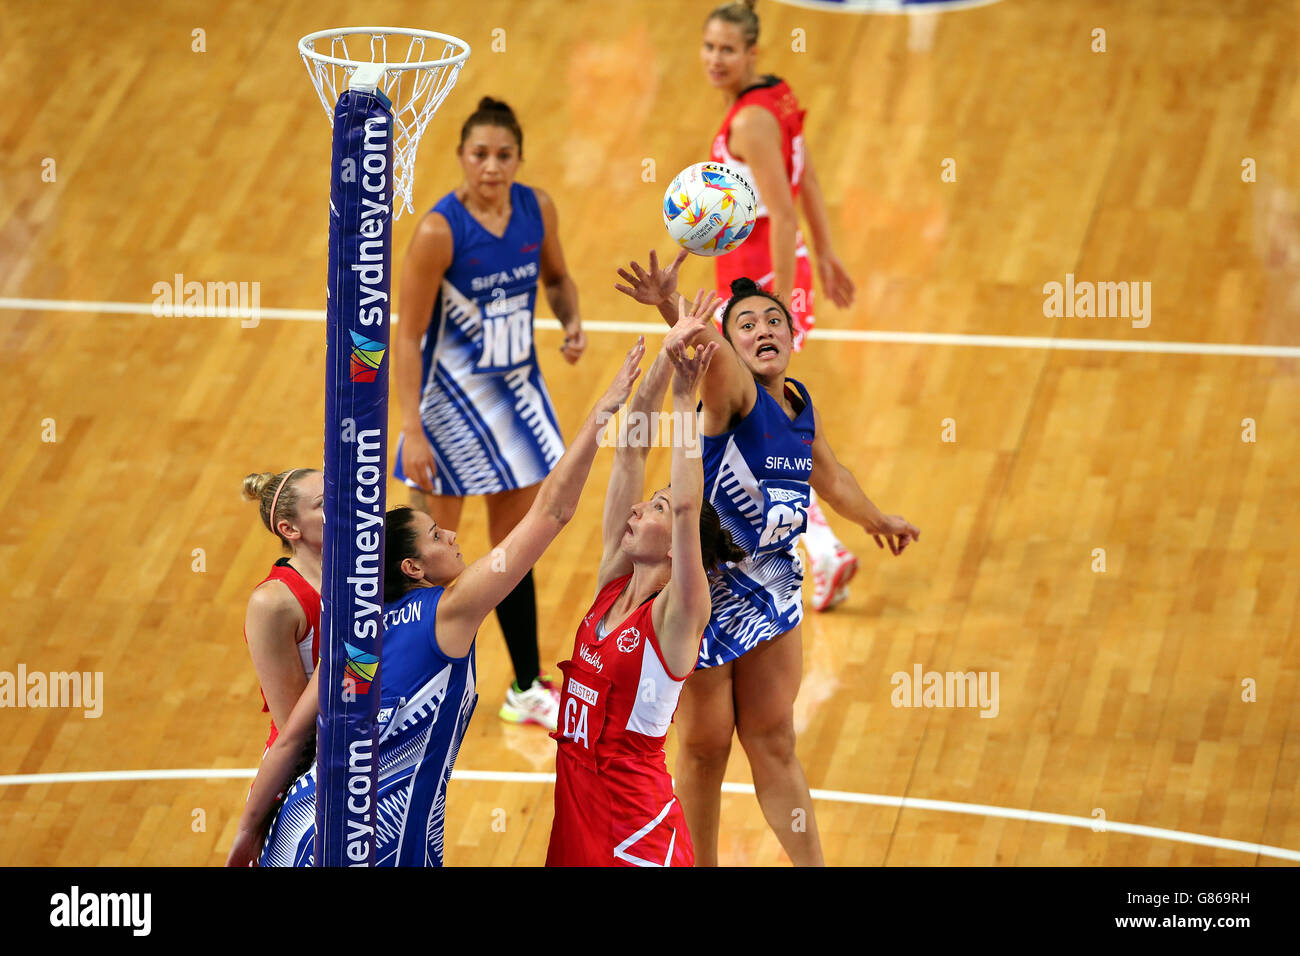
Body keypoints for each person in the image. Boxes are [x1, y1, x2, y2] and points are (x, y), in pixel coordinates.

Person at [225, 342, 646, 867]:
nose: (450, 533)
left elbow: (289, 744)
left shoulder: (355, 629)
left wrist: (246, 832)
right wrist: (603, 411)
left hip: (300, 827)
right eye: (433, 534)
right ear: (412, 568)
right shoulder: (448, 611)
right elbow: (552, 511)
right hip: (382, 841)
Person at [616, 261, 920, 866]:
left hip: (772, 583)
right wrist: (670, 304)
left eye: (774, 320)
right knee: (704, 751)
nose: (763, 329)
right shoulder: (732, 392)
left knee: (774, 740)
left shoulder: (799, 403)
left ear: (792, 334)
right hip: (706, 590)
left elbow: (830, 478)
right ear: (734, 343)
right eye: (747, 324)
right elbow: (705, 345)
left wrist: (876, 519)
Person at [392, 96, 587, 732]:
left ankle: (526, 687)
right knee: (428, 559)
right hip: (448, 409)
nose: (492, 166)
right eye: (480, 154)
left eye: (504, 155)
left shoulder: (538, 209)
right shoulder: (438, 231)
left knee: (512, 552)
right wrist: (411, 426)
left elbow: (557, 279)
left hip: (515, 400)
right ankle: (408, 689)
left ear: (519, 159)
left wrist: (571, 320)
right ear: (460, 158)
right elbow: (406, 333)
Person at [547, 295, 744, 867]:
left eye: (651, 508)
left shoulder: (678, 612)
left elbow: (686, 506)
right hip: (577, 810)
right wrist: (666, 355)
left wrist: (686, 401)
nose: (637, 512)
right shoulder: (615, 580)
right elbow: (631, 449)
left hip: (635, 829)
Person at [702, 0, 860, 611]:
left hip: (755, 280)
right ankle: (810, 546)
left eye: (727, 50)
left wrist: (766, 302)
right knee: (764, 426)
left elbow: (784, 206)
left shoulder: (748, 123)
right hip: (773, 279)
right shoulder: (779, 97)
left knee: (760, 432)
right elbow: (808, 180)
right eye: (709, 47)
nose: (716, 60)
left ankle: (818, 549)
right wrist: (824, 257)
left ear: (751, 53)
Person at [240, 468, 323, 752]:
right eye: (324, 503)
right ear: (290, 529)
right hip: (313, 767)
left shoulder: (372, 569)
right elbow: (294, 728)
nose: (344, 504)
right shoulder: (274, 602)